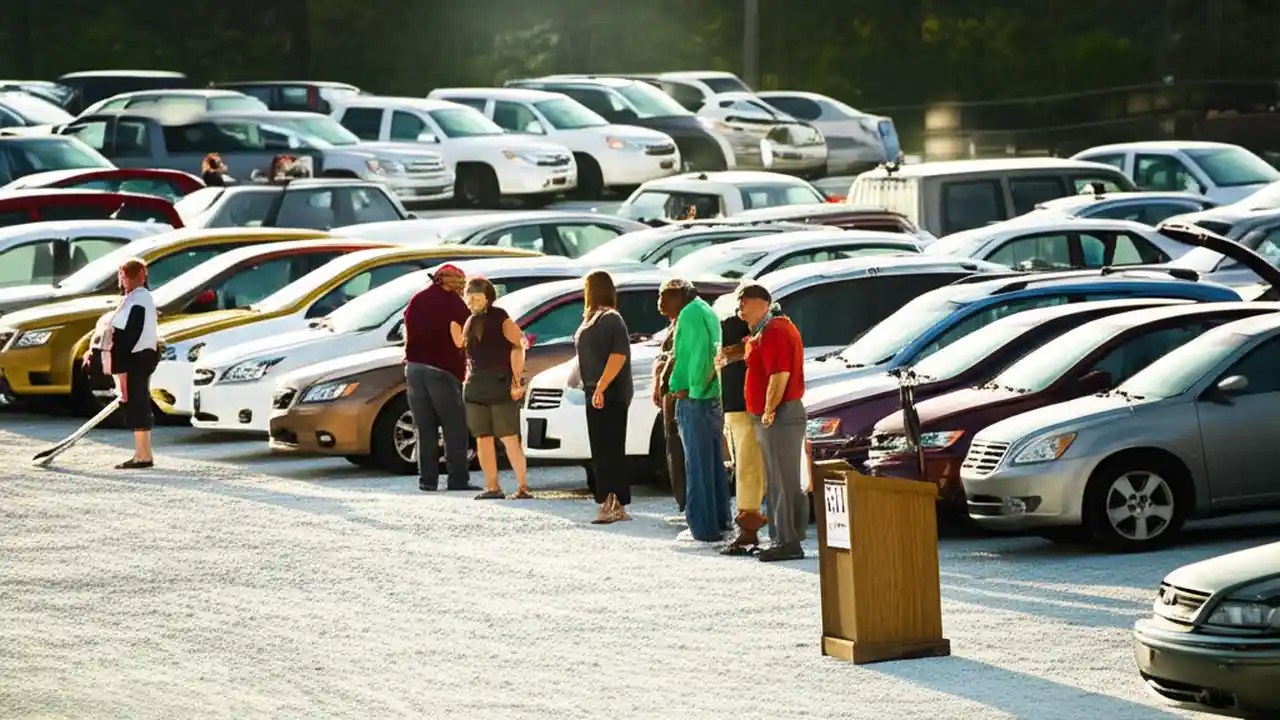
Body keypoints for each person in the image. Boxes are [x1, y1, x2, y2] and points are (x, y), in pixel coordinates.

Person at [738, 283, 808, 562]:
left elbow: (780, 374)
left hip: (781, 415)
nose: (740, 308)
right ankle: (785, 536)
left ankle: (788, 541)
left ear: (761, 303)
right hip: (775, 415)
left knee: (782, 480)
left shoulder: (776, 330)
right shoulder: (764, 331)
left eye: (744, 302)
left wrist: (769, 409)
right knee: (780, 479)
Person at [663, 278, 730, 542]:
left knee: (697, 467)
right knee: (712, 464)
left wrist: (690, 389)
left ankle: (701, 528)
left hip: (695, 400)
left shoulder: (690, 313)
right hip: (710, 398)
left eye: (664, 296)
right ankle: (719, 522)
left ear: (679, 294)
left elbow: (698, 355)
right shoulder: (704, 309)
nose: (659, 304)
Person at [458, 277, 532, 500]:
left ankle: (523, 487)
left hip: (500, 383)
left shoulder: (500, 316)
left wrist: (517, 380)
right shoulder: (469, 321)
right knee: (483, 437)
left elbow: (519, 345)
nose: (471, 302)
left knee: (509, 437)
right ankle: (492, 487)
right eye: (468, 298)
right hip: (475, 386)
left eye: (476, 298)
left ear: (487, 297)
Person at [403, 264, 474, 492]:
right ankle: (458, 480)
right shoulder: (455, 304)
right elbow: (461, 338)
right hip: (443, 370)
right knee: (455, 429)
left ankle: (427, 481)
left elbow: (406, 328)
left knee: (425, 428)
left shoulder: (417, 299)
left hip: (414, 368)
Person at [574, 270, 633, 524]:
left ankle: (615, 502)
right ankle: (607, 500)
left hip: (611, 392)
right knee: (599, 450)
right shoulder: (590, 319)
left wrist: (602, 386)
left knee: (611, 449)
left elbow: (618, 355)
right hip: (592, 390)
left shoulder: (611, 318)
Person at [100, 258, 159, 469]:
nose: (122, 281)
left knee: (137, 403)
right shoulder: (140, 298)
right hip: (142, 356)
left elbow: (129, 333)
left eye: (123, 277)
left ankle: (143, 456)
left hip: (137, 358)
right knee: (137, 401)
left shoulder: (138, 300)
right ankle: (143, 453)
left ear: (125, 277)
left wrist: (118, 362)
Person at [718, 307, 768, 556]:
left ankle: (749, 529)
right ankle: (748, 525)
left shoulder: (750, 335)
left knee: (748, 469)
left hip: (744, 408)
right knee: (746, 468)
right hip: (739, 408)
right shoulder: (751, 327)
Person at [652, 301, 686, 513]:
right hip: (669, 396)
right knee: (673, 449)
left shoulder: (686, 323)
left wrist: (660, 377)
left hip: (678, 395)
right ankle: (682, 500)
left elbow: (674, 360)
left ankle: (687, 501)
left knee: (680, 450)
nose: (662, 305)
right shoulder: (673, 326)